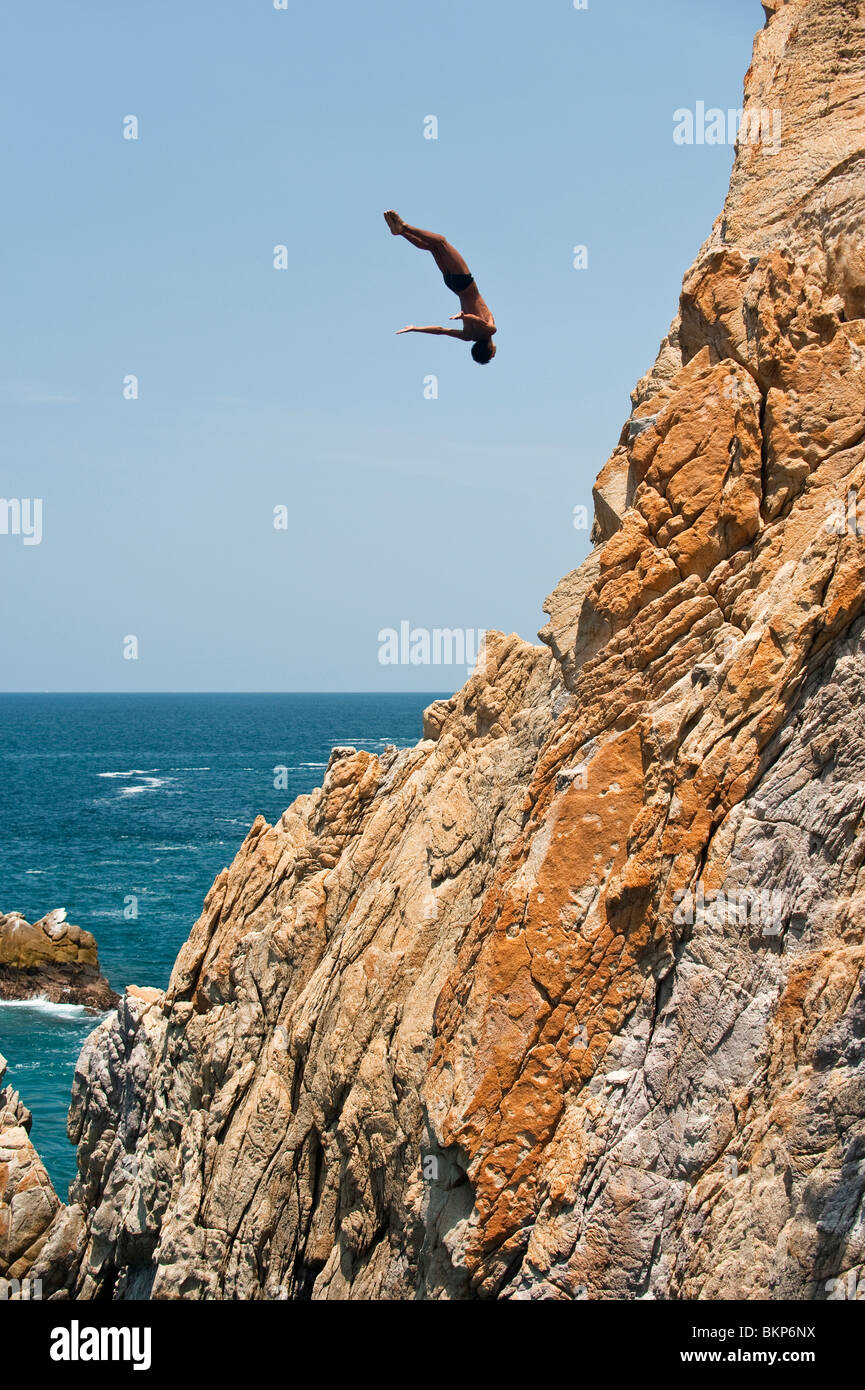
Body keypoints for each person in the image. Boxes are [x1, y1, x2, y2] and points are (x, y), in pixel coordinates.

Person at [384, 211, 497, 364]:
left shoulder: (490, 330)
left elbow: (479, 321)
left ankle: (404, 226)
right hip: (453, 286)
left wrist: (464, 317)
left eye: (492, 355)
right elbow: (440, 331)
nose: (495, 354)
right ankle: (401, 232)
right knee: (433, 248)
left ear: (489, 350)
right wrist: (415, 328)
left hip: (465, 283)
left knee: (441, 242)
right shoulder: (467, 336)